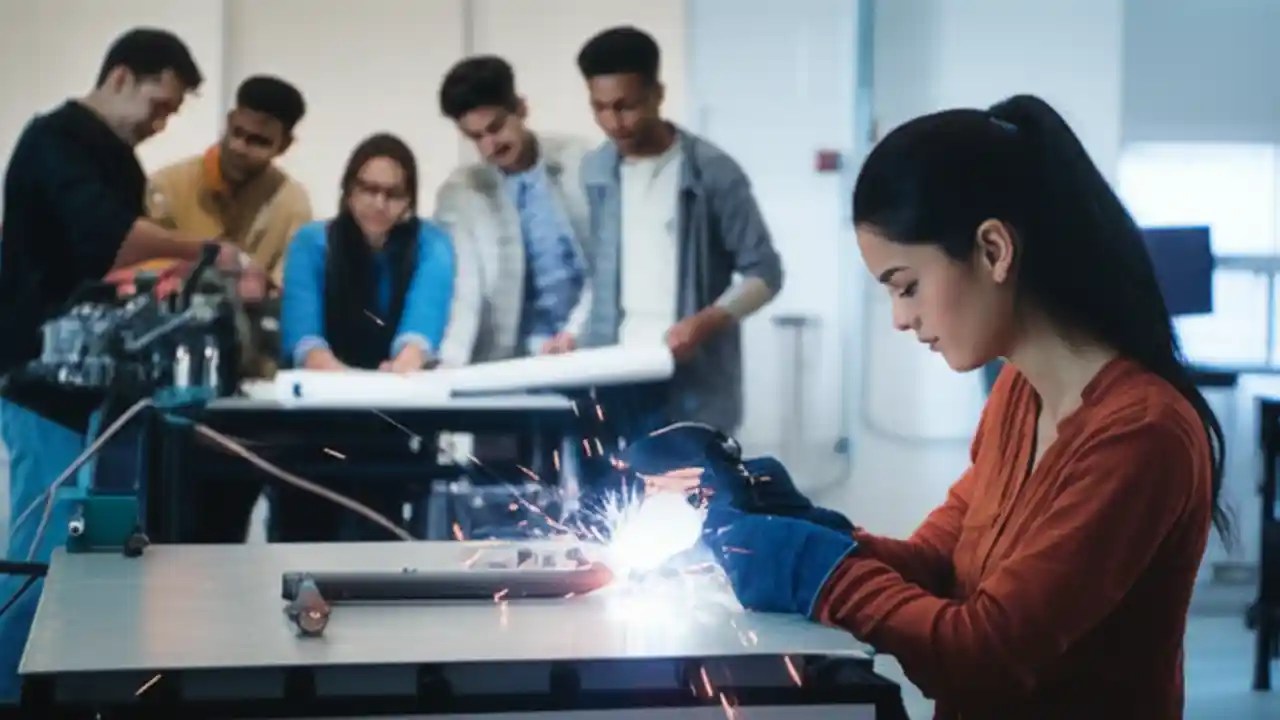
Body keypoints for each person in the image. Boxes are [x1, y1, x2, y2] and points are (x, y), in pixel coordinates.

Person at [693, 95, 1228, 719]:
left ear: (994, 251)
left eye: (907, 285)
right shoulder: (1018, 394)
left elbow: (985, 652)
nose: (900, 317)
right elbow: (942, 566)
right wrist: (812, 529)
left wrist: (820, 573)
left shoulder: (1140, 433)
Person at [0, 27, 241, 703]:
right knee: (38, 558)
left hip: (109, 394)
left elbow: (118, 265)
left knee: (105, 560)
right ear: (120, 78)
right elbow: (111, 239)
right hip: (42, 386)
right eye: (158, 104)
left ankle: (88, 691)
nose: (161, 122)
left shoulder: (122, 163)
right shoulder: (53, 140)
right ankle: (12, 695)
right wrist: (209, 252)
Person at [575, 27, 783, 440]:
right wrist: (572, 333)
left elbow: (765, 273)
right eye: (599, 108)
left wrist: (705, 322)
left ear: (657, 93)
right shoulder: (595, 171)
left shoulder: (712, 171)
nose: (613, 122)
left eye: (626, 106)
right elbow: (598, 276)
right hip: (613, 377)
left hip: (692, 385)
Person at [277, 133, 454, 540]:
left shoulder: (431, 243)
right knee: (304, 531)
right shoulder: (312, 242)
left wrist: (406, 362)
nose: (379, 203)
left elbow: (423, 322)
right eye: (368, 189)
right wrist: (345, 379)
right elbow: (304, 339)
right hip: (316, 419)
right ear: (348, 190)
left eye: (393, 193)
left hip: (390, 415)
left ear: (410, 199)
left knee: (381, 528)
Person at [435, 55, 592, 366]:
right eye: (476, 137)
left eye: (496, 127)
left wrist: (577, 333)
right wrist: (449, 363)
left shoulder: (582, 162)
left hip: (590, 344)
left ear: (521, 108)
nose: (490, 145)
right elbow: (463, 289)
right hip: (511, 363)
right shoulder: (462, 192)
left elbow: (608, 264)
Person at [146, 74, 312, 288]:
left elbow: (289, 289)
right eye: (237, 132)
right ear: (229, 120)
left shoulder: (292, 205)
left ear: (284, 145)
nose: (239, 148)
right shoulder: (168, 186)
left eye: (258, 142)